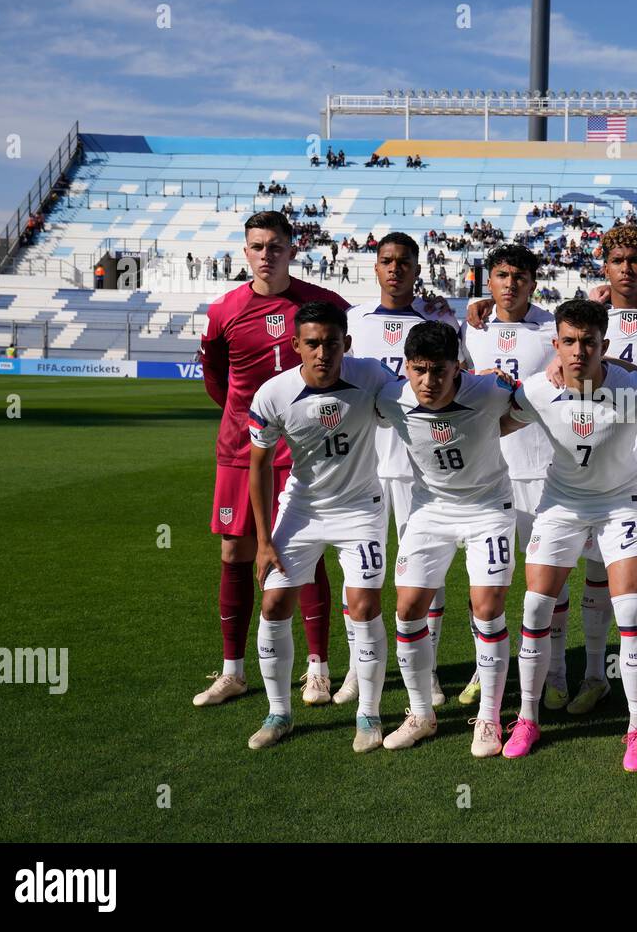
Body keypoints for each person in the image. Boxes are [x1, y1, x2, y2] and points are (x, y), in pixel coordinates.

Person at [498, 299, 637, 768]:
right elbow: (492, 423)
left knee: (632, 607)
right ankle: (528, 717)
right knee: (535, 605)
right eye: (569, 342)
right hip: (561, 503)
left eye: (589, 343)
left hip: (621, 503)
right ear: (555, 344)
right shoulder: (536, 391)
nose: (578, 351)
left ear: (604, 345)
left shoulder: (632, 389)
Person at [192, 211, 350, 710]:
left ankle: (319, 670)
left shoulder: (322, 304)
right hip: (242, 451)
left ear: (292, 250)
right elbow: (216, 378)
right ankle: (233, 672)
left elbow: (366, 334)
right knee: (235, 554)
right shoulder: (224, 311)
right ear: (245, 253)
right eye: (257, 246)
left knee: (307, 555)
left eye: (276, 246)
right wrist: (247, 418)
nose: (266, 254)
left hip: (304, 452)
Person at [246, 301, 397, 752]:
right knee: (273, 604)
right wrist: (262, 540)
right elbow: (258, 466)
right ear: (295, 345)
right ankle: (279, 713)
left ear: (346, 344)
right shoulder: (272, 395)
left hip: (361, 509)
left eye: (332, 343)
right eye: (312, 343)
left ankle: (368, 714)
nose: (322, 353)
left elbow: (423, 394)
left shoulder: (371, 376)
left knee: (364, 605)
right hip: (302, 510)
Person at [372, 323, 526, 755]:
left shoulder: (490, 392)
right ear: (406, 367)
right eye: (418, 370)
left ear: (458, 367)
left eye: (438, 370)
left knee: (488, 605)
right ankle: (421, 713)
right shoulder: (392, 398)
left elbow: (528, 409)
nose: (428, 381)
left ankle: (491, 719)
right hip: (429, 510)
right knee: (407, 608)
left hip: (488, 508)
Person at [333, 232, 458, 705]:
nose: (395, 269)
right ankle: (355, 671)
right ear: (375, 266)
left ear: (417, 268)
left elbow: (456, 384)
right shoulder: (354, 320)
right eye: (386, 261)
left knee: (423, 571)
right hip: (360, 463)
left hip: (418, 467)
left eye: (404, 262)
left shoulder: (438, 321)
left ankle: (427, 673)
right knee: (359, 571)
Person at [457, 245, 565, 712]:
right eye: (501, 275)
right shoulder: (473, 326)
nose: (511, 283)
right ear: (491, 280)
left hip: (542, 469)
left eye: (520, 276)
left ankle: (556, 672)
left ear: (533, 282)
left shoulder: (552, 328)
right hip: (485, 472)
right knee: (485, 581)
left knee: (547, 584)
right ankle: (486, 671)